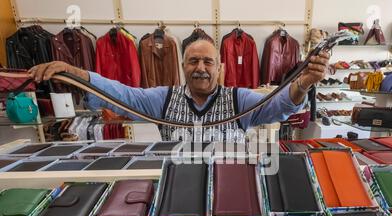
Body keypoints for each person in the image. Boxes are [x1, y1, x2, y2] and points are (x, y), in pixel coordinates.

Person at [29, 38, 330, 142]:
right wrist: (76, 74)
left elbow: (277, 105)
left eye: (208, 61)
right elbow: (121, 95)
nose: (201, 67)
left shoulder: (240, 99)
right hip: (177, 191)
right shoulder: (163, 98)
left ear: (219, 67)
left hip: (232, 191)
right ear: (183, 65)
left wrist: (303, 82)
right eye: (193, 61)